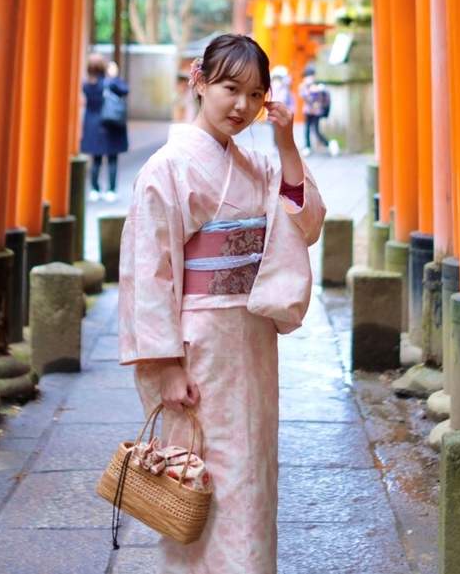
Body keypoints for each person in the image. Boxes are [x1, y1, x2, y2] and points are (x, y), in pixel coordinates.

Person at [118, 33, 326, 574]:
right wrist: (164, 365)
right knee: (203, 473)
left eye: (256, 95)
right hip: (198, 343)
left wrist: (285, 145)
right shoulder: (168, 167)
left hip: (250, 340)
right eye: (230, 88)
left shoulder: (256, 164)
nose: (242, 106)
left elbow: (305, 224)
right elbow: (151, 273)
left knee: (252, 472)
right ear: (199, 81)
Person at [80, 53, 130, 202]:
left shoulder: (86, 85)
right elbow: (125, 90)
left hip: (92, 125)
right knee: (112, 159)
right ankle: (111, 190)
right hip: (109, 124)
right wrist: (114, 75)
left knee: (96, 159)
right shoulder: (109, 83)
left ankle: (95, 190)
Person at [297, 65, 338, 156]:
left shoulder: (319, 86)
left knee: (316, 130)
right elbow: (305, 96)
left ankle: (330, 144)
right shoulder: (304, 86)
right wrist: (313, 90)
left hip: (316, 112)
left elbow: (324, 98)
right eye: (309, 76)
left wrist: (318, 90)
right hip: (308, 111)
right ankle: (307, 147)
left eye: (312, 76)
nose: (310, 78)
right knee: (307, 129)